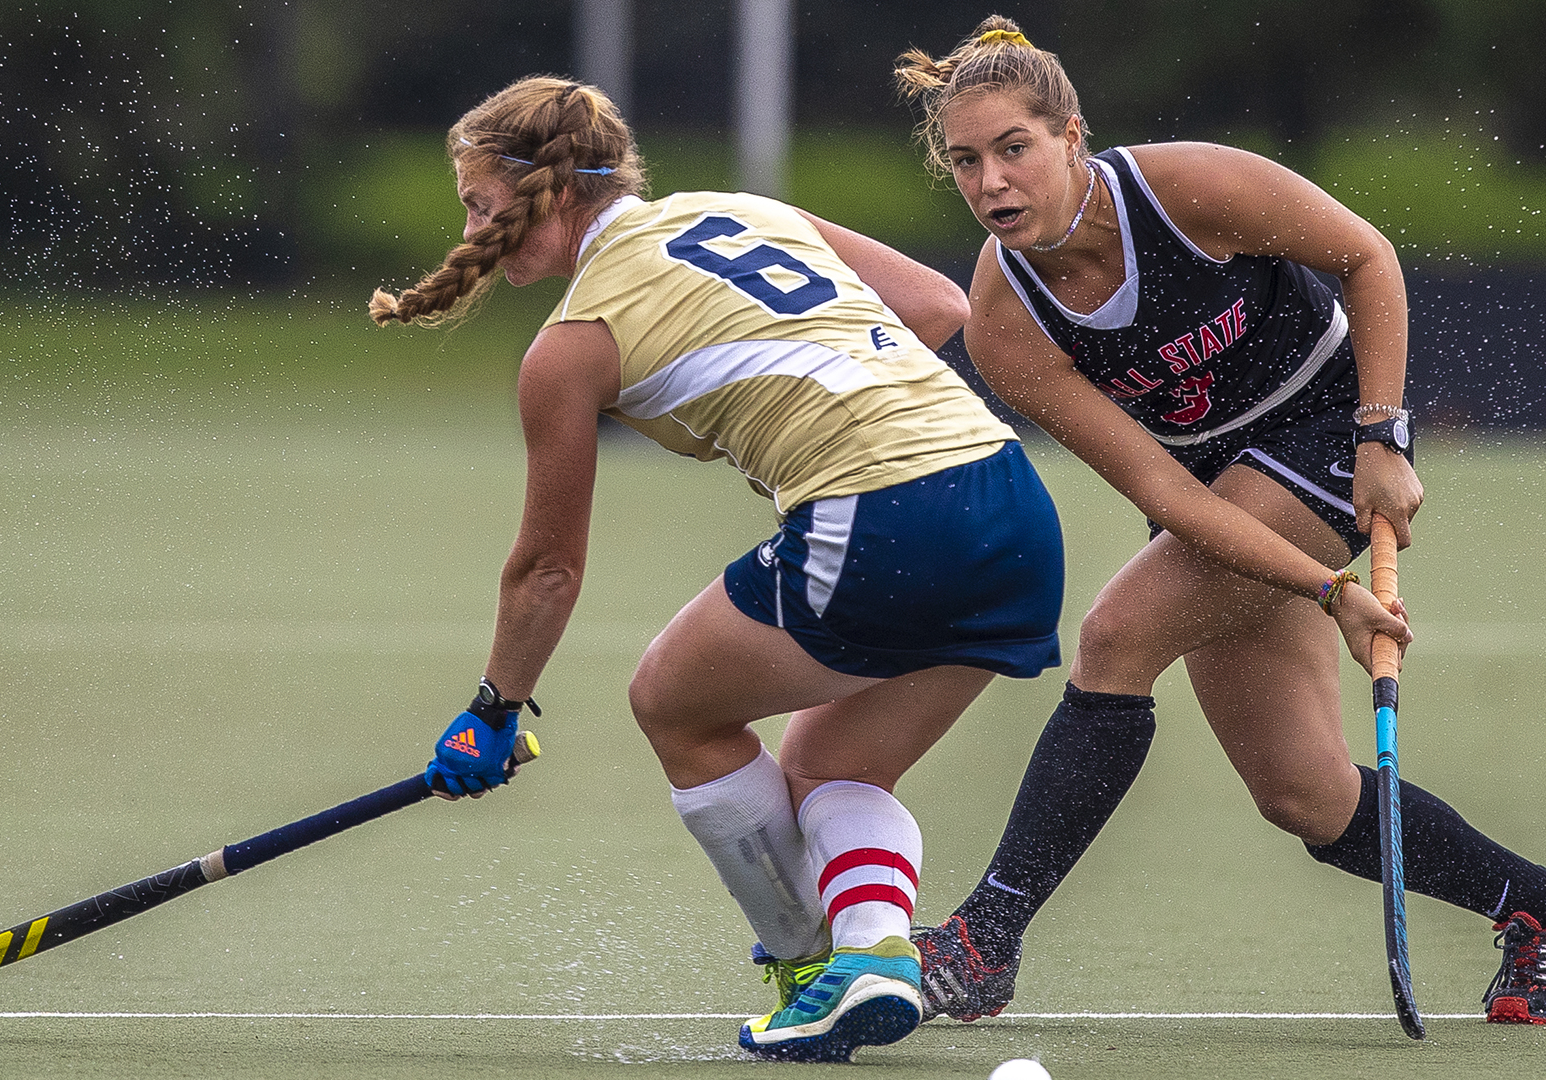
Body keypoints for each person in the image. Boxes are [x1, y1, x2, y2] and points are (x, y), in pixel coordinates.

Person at [892, 17, 1546, 1027]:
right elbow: (1172, 500)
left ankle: (985, 941)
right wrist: (1328, 592)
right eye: (967, 163)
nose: (992, 182)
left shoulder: (1185, 191)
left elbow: (1367, 258)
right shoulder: (1007, 322)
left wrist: (1384, 433)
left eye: (1014, 147)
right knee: (1304, 797)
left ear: (1071, 137)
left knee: (1115, 636)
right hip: (1214, 493)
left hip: (1323, 431)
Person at [369, 75, 1070, 1063]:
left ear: (550, 193)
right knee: (833, 766)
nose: (479, 231)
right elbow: (940, 304)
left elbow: (545, 573)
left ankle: (802, 967)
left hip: (880, 513)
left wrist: (494, 708)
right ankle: (874, 955)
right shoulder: (739, 208)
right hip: (1010, 505)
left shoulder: (570, 348)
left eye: (482, 206)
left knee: (673, 700)